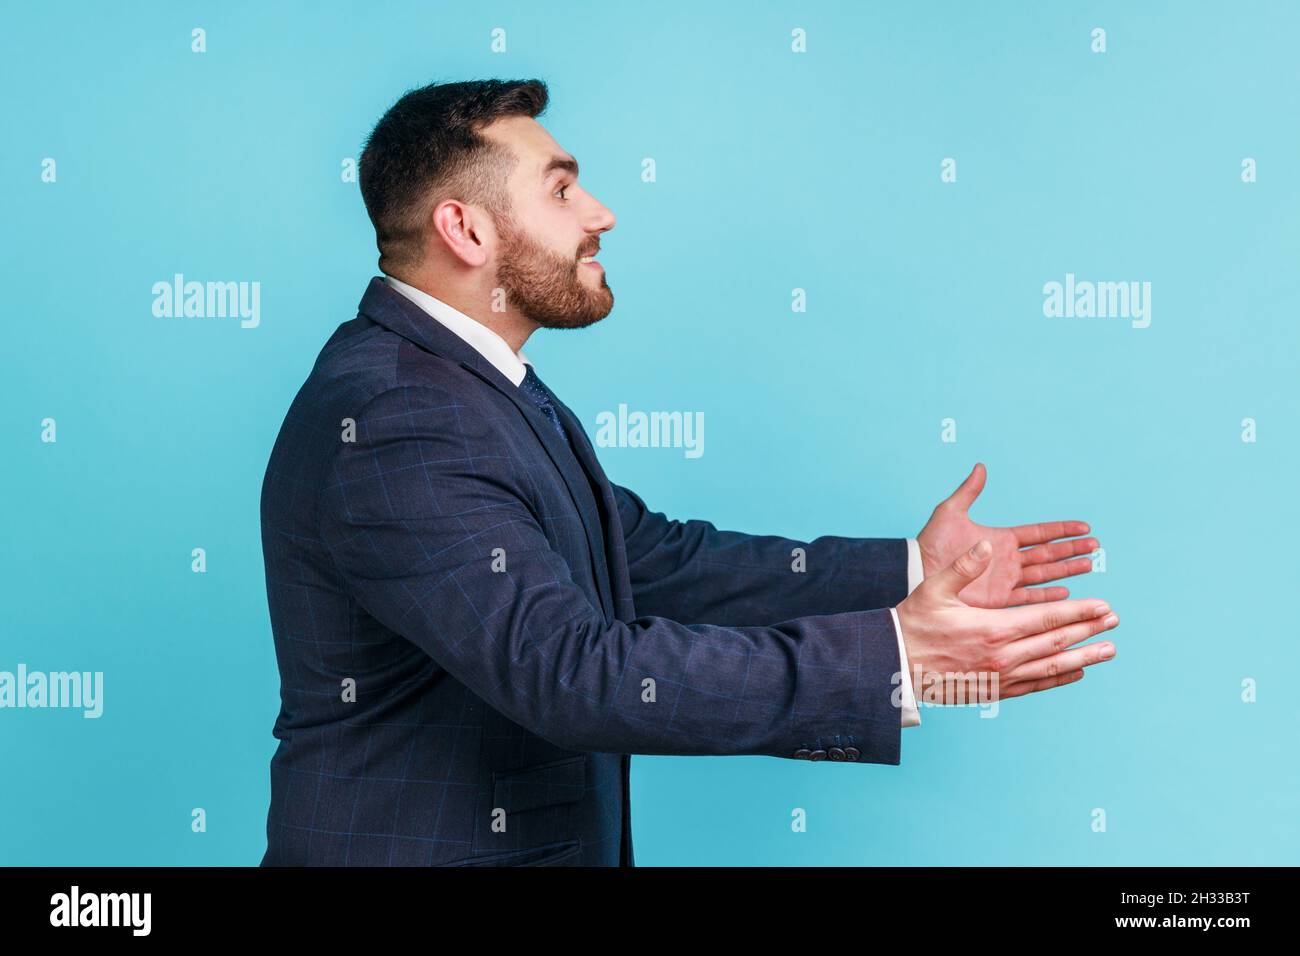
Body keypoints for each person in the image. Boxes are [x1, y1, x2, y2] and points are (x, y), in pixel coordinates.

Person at [258, 78, 1118, 867]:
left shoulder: (473, 386)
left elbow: (646, 559)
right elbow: (570, 673)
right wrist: (892, 654)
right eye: (561, 189)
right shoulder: (398, 417)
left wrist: (911, 571)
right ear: (466, 230)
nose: (601, 213)